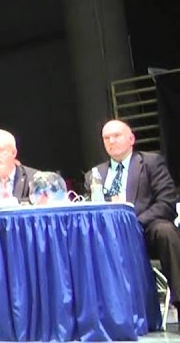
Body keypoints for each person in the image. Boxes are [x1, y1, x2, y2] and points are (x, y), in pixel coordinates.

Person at [87, 120, 180, 299]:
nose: (111, 141)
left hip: (144, 228)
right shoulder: (95, 174)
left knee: (166, 231)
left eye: (116, 136)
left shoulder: (151, 163)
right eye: (106, 138)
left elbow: (166, 202)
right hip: (108, 234)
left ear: (131, 139)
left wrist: (134, 222)